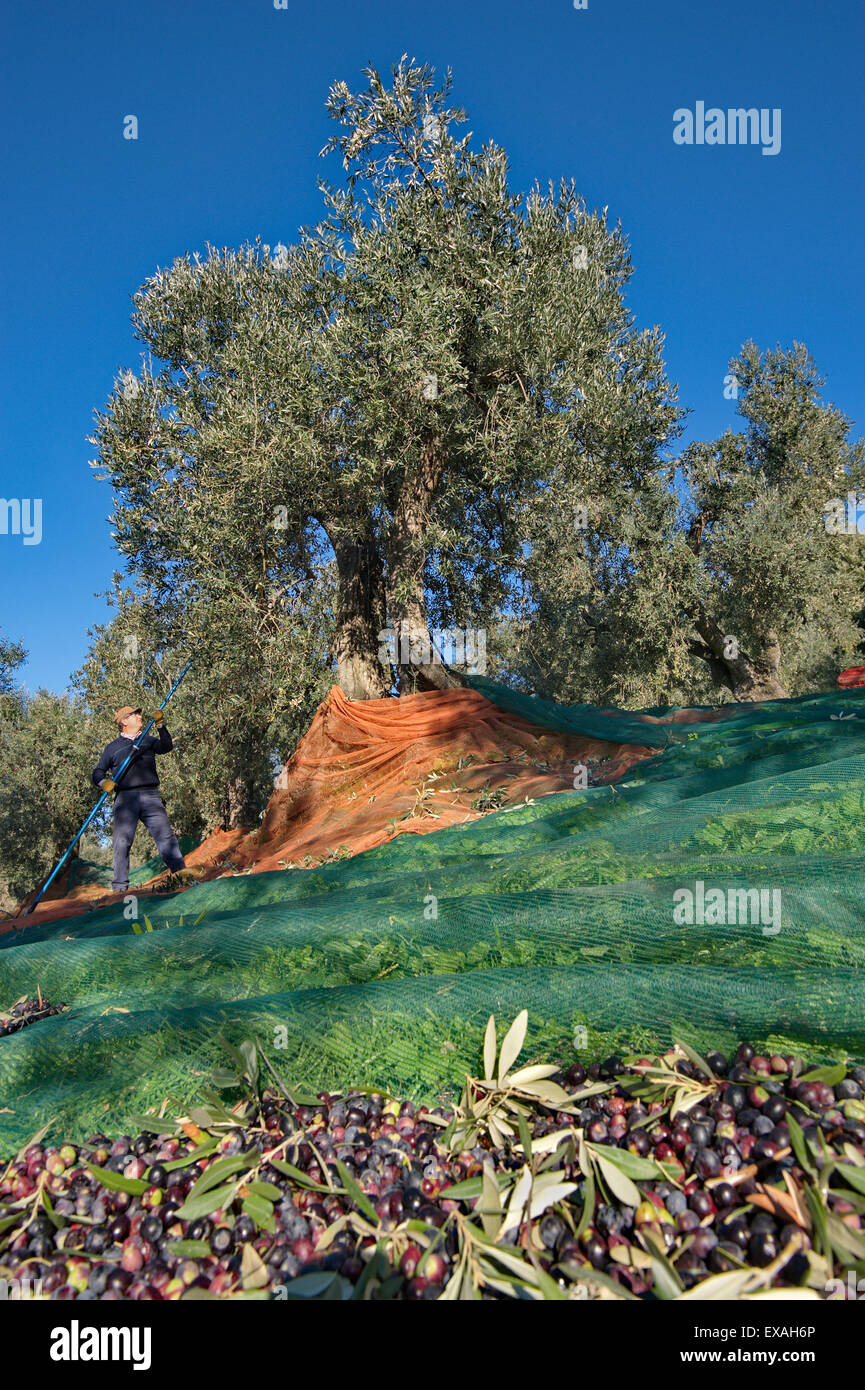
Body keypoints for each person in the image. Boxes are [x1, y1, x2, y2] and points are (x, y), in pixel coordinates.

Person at [91, 704, 189, 894]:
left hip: (150, 795)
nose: (139, 716)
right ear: (124, 722)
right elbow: (97, 771)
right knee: (122, 842)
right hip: (125, 799)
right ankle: (120, 888)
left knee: (165, 835)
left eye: (139, 714)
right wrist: (103, 782)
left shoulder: (148, 740)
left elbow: (166, 747)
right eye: (135, 715)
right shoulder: (112, 748)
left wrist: (161, 726)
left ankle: (181, 874)